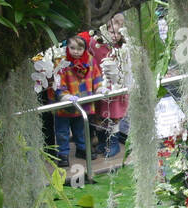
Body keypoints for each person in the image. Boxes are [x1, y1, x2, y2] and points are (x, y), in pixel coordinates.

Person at [52, 33, 101, 167]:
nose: (76, 51)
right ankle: (63, 154)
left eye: (79, 49)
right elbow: (57, 82)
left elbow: (96, 76)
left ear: (84, 49)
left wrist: (99, 88)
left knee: (81, 129)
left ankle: (82, 149)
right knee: (62, 132)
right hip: (64, 105)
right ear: (67, 47)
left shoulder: (90, 60)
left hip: (82, 103)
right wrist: (64, 95)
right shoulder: (61, 62)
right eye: (72, 48)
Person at [88, 13, 130, 158]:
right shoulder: (95, 44)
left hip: (116, 87)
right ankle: (102, 142)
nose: (115, 36)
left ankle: (113, 143)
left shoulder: (122, 46)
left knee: (113, 116)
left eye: (118, 33)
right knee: (99, 115)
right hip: (99, 85)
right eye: (111, 32)